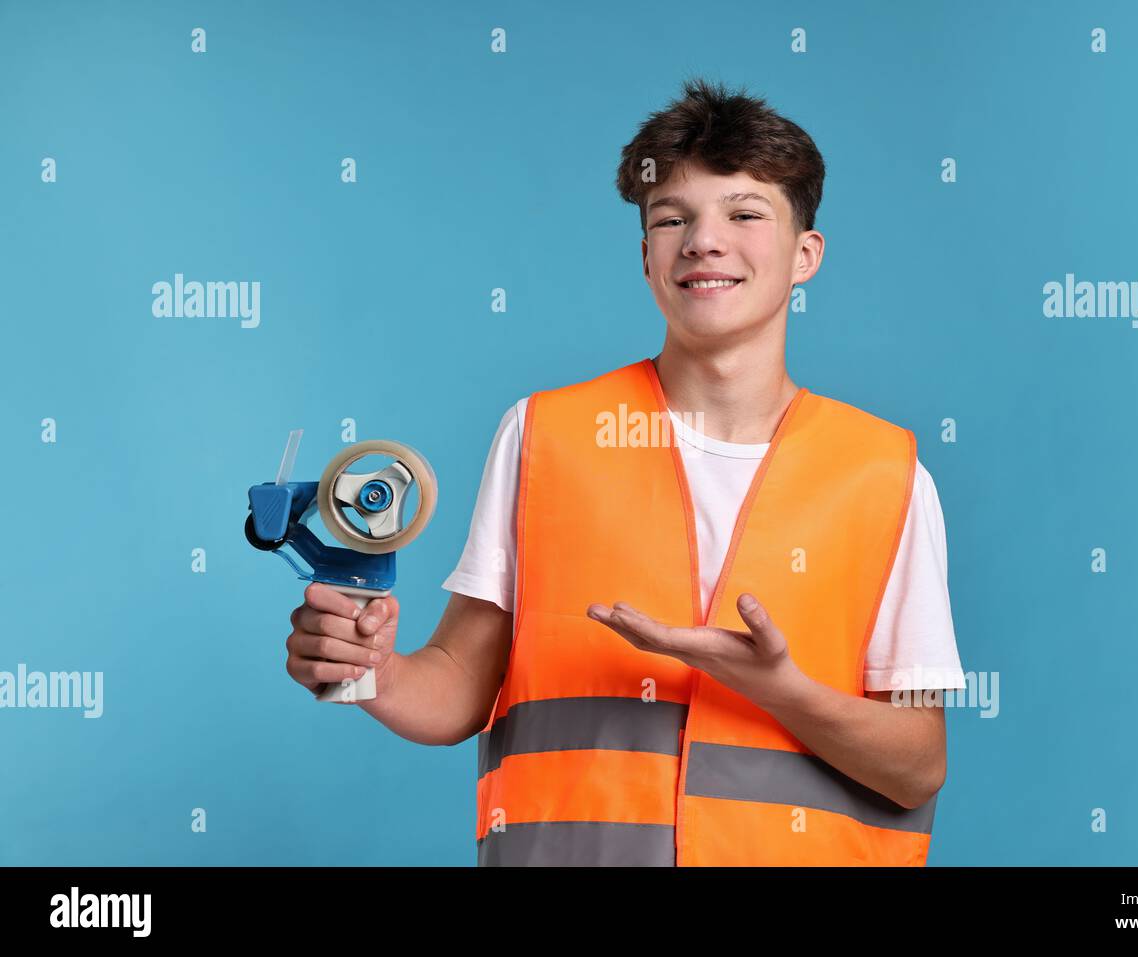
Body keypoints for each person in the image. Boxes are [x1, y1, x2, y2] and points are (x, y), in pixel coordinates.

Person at [285, 77, 964, 866]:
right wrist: (366, 672)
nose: (704, 240)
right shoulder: (544, 435)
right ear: (647, 257)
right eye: (672, 219)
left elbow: (918, 763)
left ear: (805, 254)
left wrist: (781, 688)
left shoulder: (885, 473)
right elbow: (457, 686)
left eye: (744, 213)